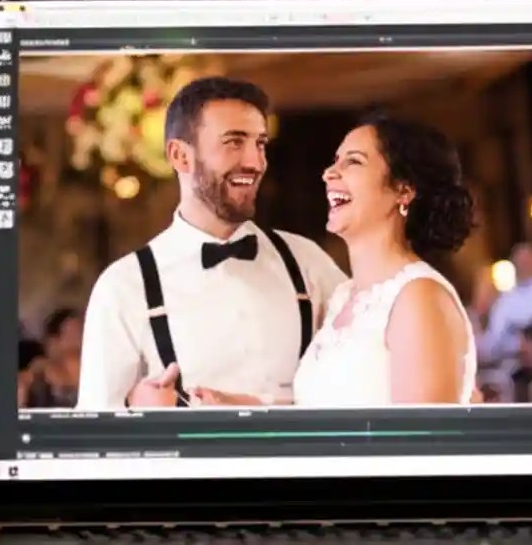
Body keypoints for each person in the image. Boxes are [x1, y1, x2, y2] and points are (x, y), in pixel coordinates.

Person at [76, 77, 348, 410]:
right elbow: (97, 429)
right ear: (180, 156)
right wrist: (138, 419)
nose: (255, 161)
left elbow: (359, 382)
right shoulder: (124, 286)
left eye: (260, 143)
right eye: (234, 142)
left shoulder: (307, 262)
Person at [193, 112, 478, 407]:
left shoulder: (419, 297)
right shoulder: (343, 296)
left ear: (403, 190)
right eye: (335, 160)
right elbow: (328, 414)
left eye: (353, 161)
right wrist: (242, 407)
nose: (329, 173)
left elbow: (420, 443)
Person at [475, 242, 532, 402]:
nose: (522, 266)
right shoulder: (506, 299)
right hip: (506, 368)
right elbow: (493, 340)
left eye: (527, 261)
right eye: (518, 262)